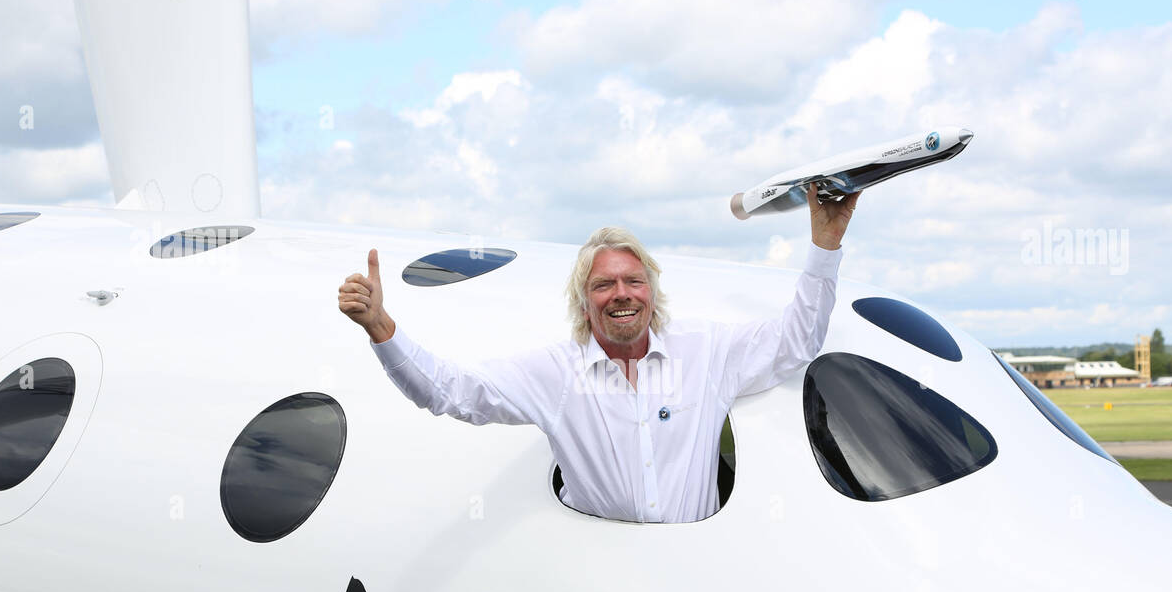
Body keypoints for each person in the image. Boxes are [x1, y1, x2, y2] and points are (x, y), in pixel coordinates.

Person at [337, 182, 859, 523]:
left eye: (635, 281)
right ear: (583, 302)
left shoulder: (706, 353)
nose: (622, 294)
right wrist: (381, 326)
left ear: (652, 292)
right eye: (605, 285)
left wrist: (825, 245)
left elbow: (797, 340)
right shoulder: (554, 375)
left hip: (699, 574)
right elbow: (451, 392)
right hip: (607, 589)